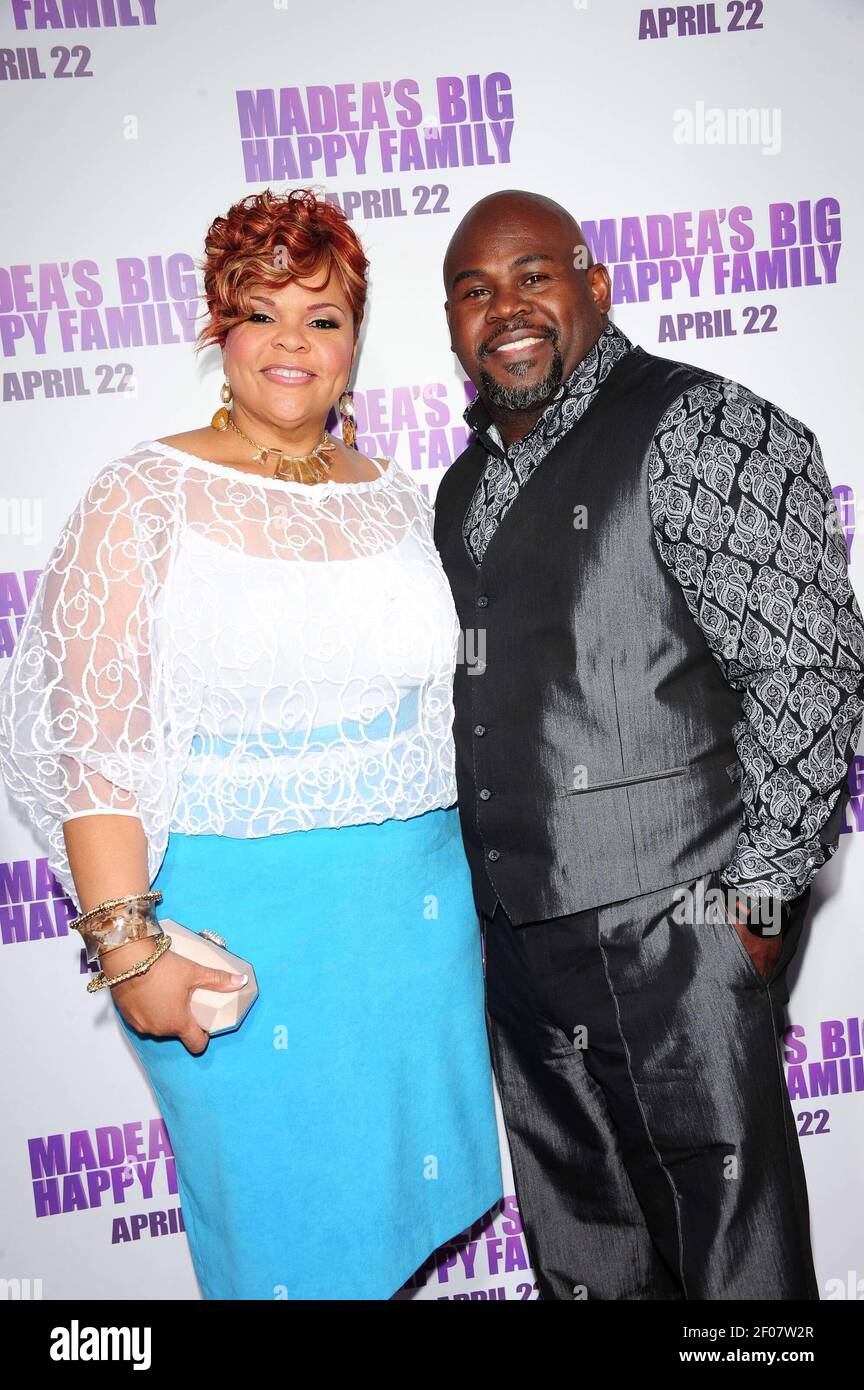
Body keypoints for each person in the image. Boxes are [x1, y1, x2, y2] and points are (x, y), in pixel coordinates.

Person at [0, 187, 502, 1301]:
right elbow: (99, 741)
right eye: (260, 310)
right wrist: (131, 953)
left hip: (415, 933)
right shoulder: (144, 495)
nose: (291, 342)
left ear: (353, 346)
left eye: (322, 319)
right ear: (216, 329)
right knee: (284, 1247)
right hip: (237, 943)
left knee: (395, 1235)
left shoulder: (403, 500)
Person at [433, 188, 864, 1300]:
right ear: (451, 326)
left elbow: (808, 667)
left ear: (596, 285)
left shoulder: (703, 423)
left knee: (731, 1266)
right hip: (524, 947)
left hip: (676, 934)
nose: (507, 306)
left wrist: (754, 914)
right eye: (475, 289)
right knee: (587, 1255)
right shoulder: (462, 486)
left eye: (534, 274)